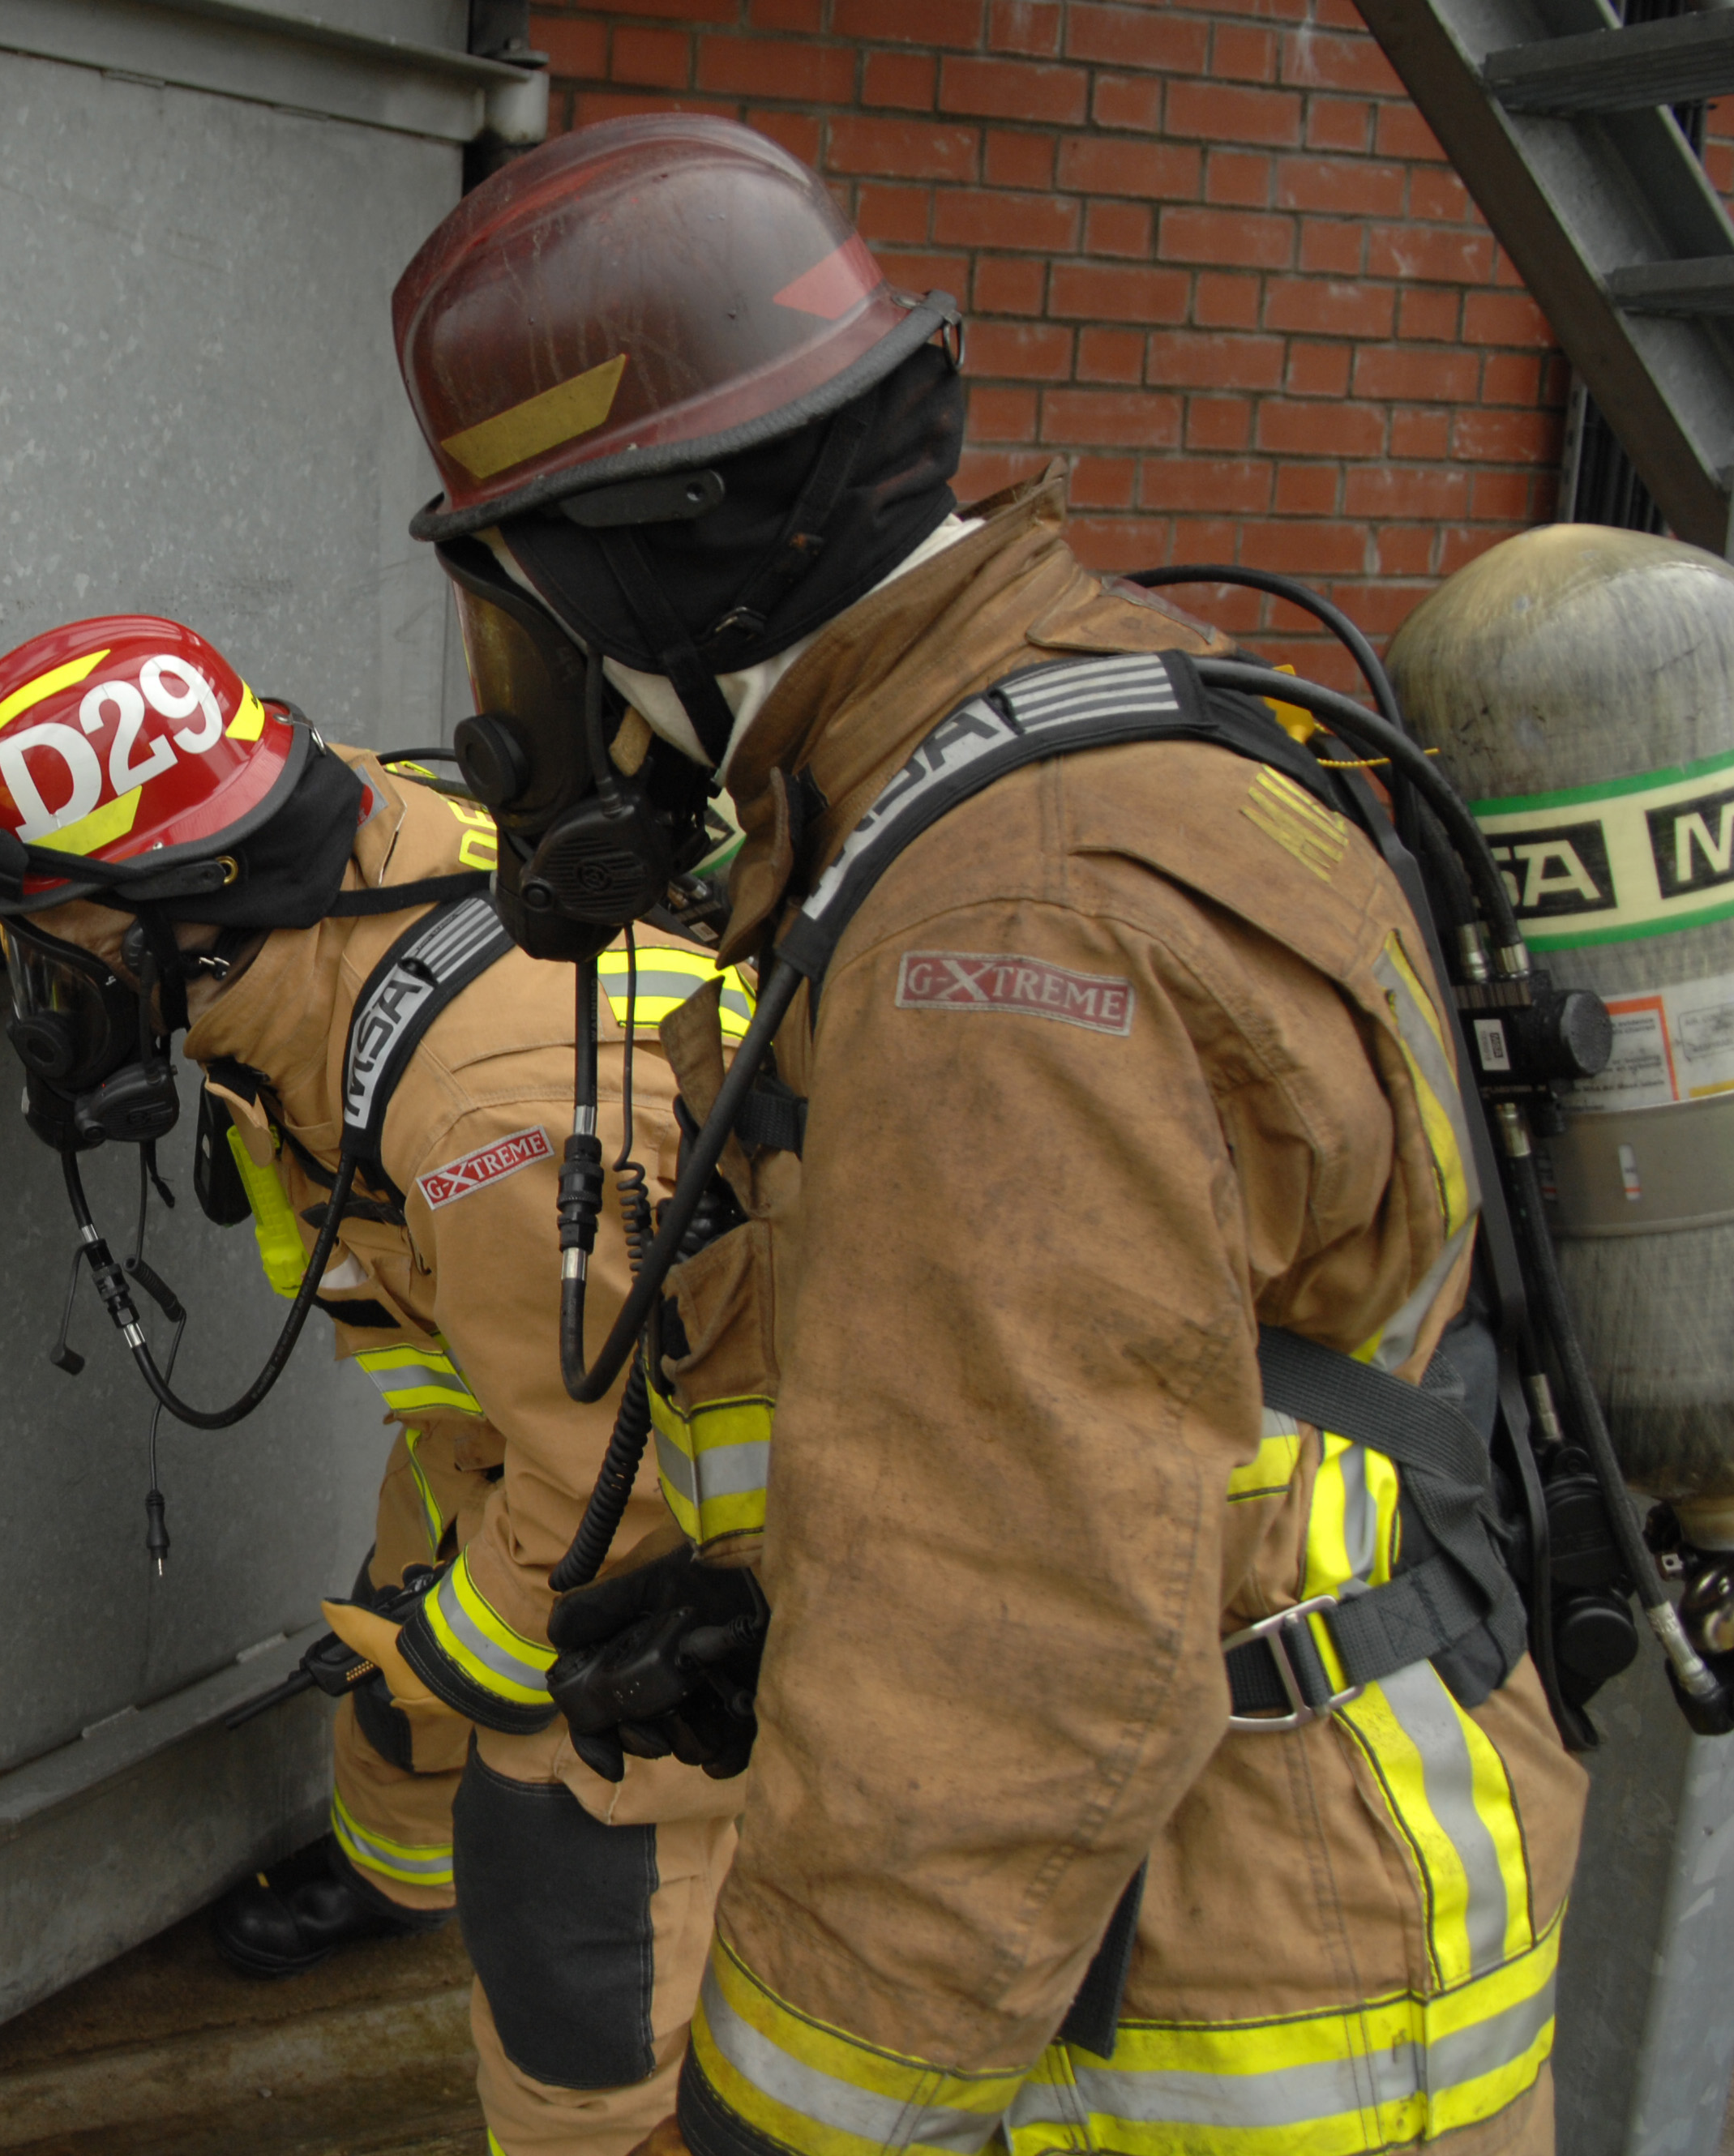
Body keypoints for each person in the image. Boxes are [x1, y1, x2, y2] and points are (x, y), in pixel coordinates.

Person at [387, 114, 1584, 2153]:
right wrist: (794, 1615)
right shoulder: (1069, 722)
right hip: (1245, 1898)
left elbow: (1012, 1666)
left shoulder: (995, 933)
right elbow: (1177, 1427)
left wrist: (768, 2122)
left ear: (641, 559)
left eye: (522, 599)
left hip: (1217, 2021)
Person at [0, 614, 772, 2156]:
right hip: (498, 1412)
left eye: (56, 946)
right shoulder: (309, 831)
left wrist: (477, 1654)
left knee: (576, 1893)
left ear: (178, 914)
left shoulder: (499, 1115)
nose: (43, 987)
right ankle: (388, 1877)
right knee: (401, 1634)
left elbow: (634, 1494)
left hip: (691, 1541)